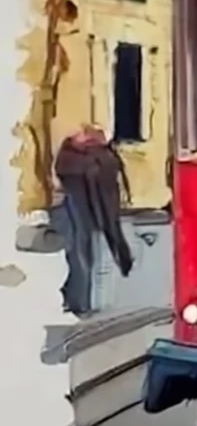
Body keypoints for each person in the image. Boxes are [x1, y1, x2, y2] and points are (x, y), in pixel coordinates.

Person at [53, 125, 134, 316]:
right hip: (77, 206)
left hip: (85, 206)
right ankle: (78, 301)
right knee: (81, 249)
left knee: (82, 249)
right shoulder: (88, 158)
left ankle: (78, 299)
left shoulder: (97, 156)